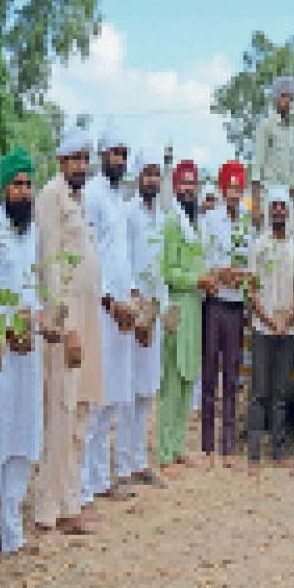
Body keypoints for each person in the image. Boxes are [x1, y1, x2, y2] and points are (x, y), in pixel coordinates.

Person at [0, 147, 42, 560]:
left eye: (28, 183)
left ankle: (12, 529)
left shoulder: (35, 233)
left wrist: (34, 320)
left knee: (22, 434)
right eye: (17, 183)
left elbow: (36, 287)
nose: (23, 190)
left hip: (28, 350)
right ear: (3, 187)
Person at [34, 127, 104, 536]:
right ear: (61, 160)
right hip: (67, 323)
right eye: (74, 158)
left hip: (88, 316)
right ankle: (48, 510)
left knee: (80, 412)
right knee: (60, 413)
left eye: (84, 159)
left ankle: (69, 502)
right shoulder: (50, 197)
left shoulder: (80, 199)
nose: (80, 165)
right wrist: (66, 328)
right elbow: (49, 268)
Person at [81, 123, 136, 509]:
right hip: (100, 311)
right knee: (94, 399)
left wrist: (129, 295)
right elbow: (90, 256)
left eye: (124, 154)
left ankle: (100, 480)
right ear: (103, 156)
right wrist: (108, 302)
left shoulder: (119, 198)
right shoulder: (92, 195)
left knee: (113, 397)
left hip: (121, 311)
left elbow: (120, 255)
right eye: (115, 153)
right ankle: (82, 487)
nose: (120, 160)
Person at [158, 160, 217, 478]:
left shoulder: (194, 226)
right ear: (175, 186)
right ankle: (164, 453)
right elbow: (166, 271)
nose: (188, 189)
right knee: (170, 381)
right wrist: (197, 280)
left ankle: (178, 447)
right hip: (177, 307)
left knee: (186, 376)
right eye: (183, 184)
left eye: (192, 184)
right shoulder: (170, 223)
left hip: (196, 306)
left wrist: (209, 279)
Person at [197, 160, 249, 470]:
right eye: (229, 187)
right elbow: (203, 260)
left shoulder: (246, 223)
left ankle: (228, 444)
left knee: (232, 375)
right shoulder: (209, 221)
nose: (233, 192)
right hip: (214, 302)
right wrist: (220, 273)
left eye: (238, 188)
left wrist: (241, 275)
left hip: (236, 306)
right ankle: (206, 445)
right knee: (209, 374)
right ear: (221, 188)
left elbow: (250, 260)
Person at [246, 186, 294, 476]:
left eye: (283, 206)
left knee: (281, 393)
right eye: (275, 206)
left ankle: (277, 451)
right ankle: (254, 454)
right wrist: (268, 321)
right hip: (262, 328)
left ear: (288, 212)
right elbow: (251, 290)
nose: (279, 210)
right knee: (259, 392)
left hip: (287, 329)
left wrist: (288, 318)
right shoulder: (257, 245)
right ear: (268, 211)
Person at [122, 150, 168, 487]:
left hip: (156, 310)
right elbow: (124, 265)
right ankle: (122, 467)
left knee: (146, 390)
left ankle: (139, 461)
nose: (151, 179)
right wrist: (138, 311)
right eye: (147, 173)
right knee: (127, 391)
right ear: (138, 177)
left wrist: (160, 312)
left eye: (156, 174)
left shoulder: (161, 218)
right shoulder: (128, 215)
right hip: (135, 311)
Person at [252, 76, 294, 230]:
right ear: (275, 98)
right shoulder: (266, 126)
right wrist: (256, 205)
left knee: (288, 242)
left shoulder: (292, 130)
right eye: (283, 96)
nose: (287, 101)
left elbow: (293, 175)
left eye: (290, 97)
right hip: (269, 193)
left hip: (287, 196)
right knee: (267, 242)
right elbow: (257, 167)